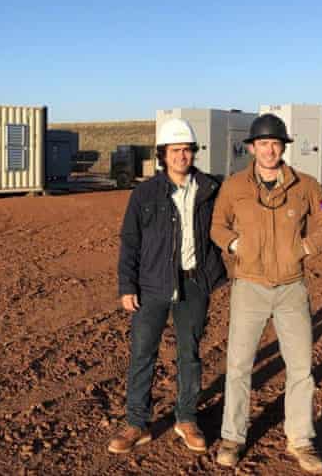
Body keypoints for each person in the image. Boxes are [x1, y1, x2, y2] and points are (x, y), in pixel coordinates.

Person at [210, 113, 322, 474]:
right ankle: (232, 437)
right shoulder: (233, 186)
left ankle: (300, 439)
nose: (270, 150)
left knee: (300, 368)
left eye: (276, 143)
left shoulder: (309, 186)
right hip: (249, 288)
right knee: (238, 367)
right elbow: (216, 226)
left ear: (283, 147)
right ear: (252, 148)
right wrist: (234, 243)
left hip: (291, 289)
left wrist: (306, 248)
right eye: (263, 144)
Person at [108, 118, 226, 455]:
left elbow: (231, 222)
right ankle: (137, 423)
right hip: (151, 286)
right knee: (143, 354)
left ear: (193, 153)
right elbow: (130, 241)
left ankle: (186, 418)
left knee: (189, 354)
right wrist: (126, 285)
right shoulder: (145, 193)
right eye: (175, 150)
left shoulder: (210, 189)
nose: (182, 156)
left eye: (187, 150)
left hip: (194, 284)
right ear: (163, 154)